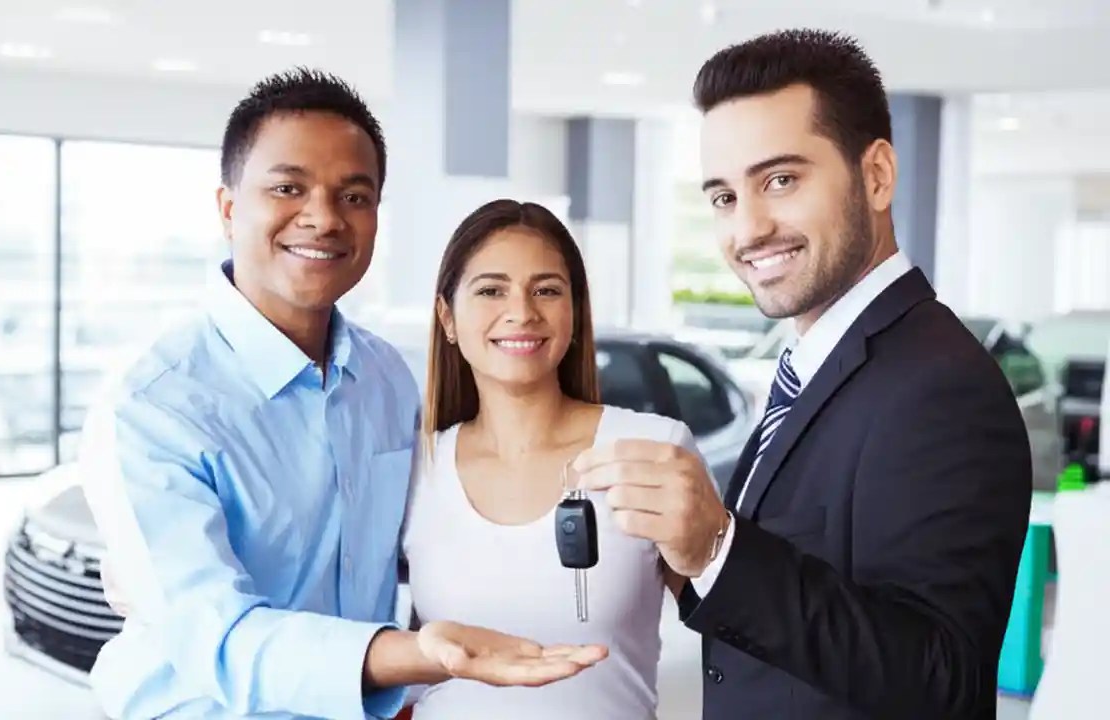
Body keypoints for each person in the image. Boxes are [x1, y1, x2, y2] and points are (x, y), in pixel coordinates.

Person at [79, 69, 606, 720]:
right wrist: (409, 654)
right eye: (287, 188)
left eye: (354, 196)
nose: (324, 218)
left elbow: (420, 544)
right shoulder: (152, 405)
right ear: (227, 209)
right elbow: (216, 638)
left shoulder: (387, 380)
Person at [573, 29, 1032, 719]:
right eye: (724, 197)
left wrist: (720, 550)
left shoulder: (940, 386)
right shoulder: (815, 369)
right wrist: (687, 563)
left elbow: (942, 677)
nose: (749, 228)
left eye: (780, 180)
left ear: (876, 176)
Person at [400, 199, 710, 719]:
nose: (521, 311)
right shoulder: (415, 470)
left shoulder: (652, 451)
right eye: (491, 290)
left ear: (574, 313)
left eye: (546, 290)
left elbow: (735, 632)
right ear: (447, 318)